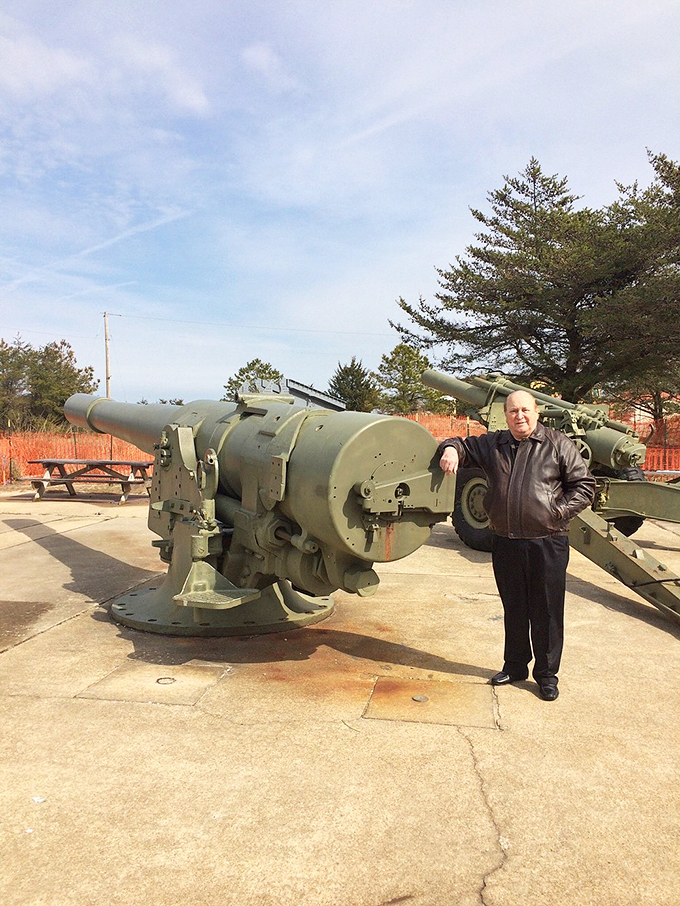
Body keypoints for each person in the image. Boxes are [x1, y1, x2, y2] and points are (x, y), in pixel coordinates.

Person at [438, 390, 595, 701]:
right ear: (506, 415)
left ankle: (546, 675)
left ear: (537, 412)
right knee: (514, 607)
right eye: (513, 411)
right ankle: (515, 666)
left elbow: (584, 485)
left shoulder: (558, 444)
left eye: (525, 410)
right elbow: (460, 444)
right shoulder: (493, 444)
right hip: (506, 541)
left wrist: (556, 512)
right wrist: (451, 450)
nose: (519, 416)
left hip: (547, 542)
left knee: (547, 611)